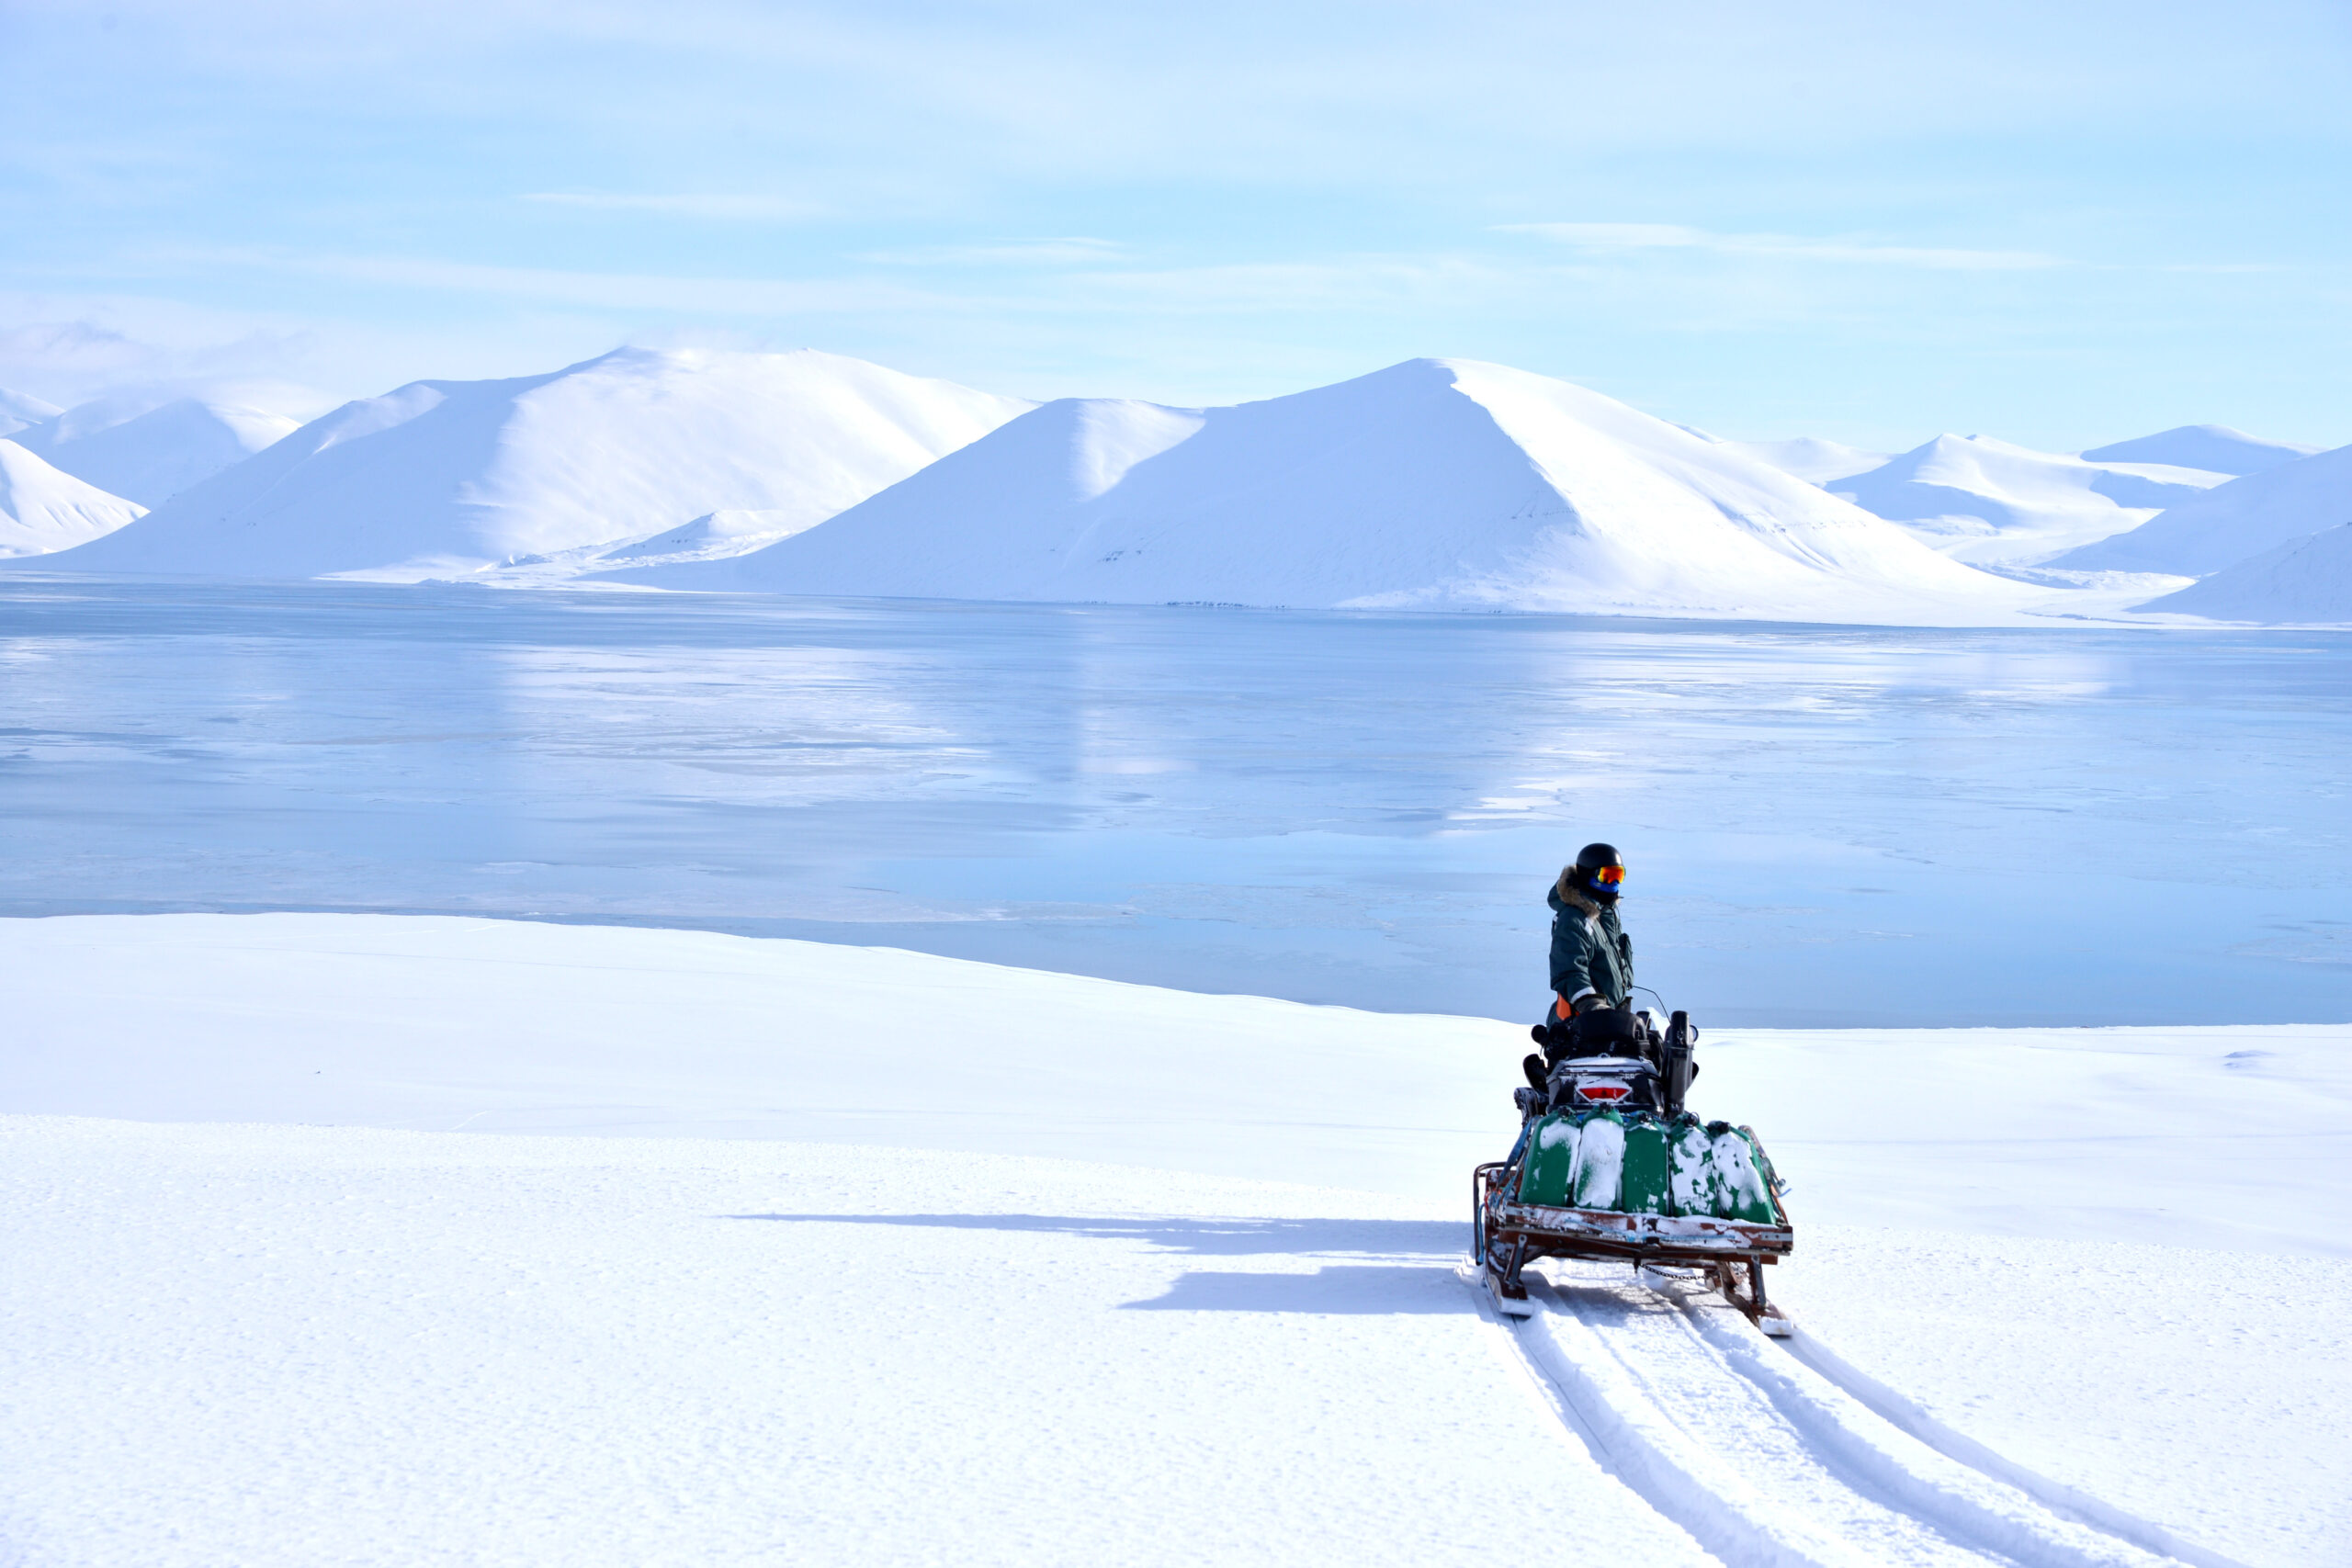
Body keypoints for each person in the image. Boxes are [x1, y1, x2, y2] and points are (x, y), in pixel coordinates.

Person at [1541, 842, 1633, 1057]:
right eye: (1607, 876)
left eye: (1619, 875)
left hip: (1610, 1025)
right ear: (1588, 876)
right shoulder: (1574, 919)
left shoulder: (1605, 915)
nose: (1614, 883)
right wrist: (1593, 1006)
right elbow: (1570, 971)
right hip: (1581, 1026)